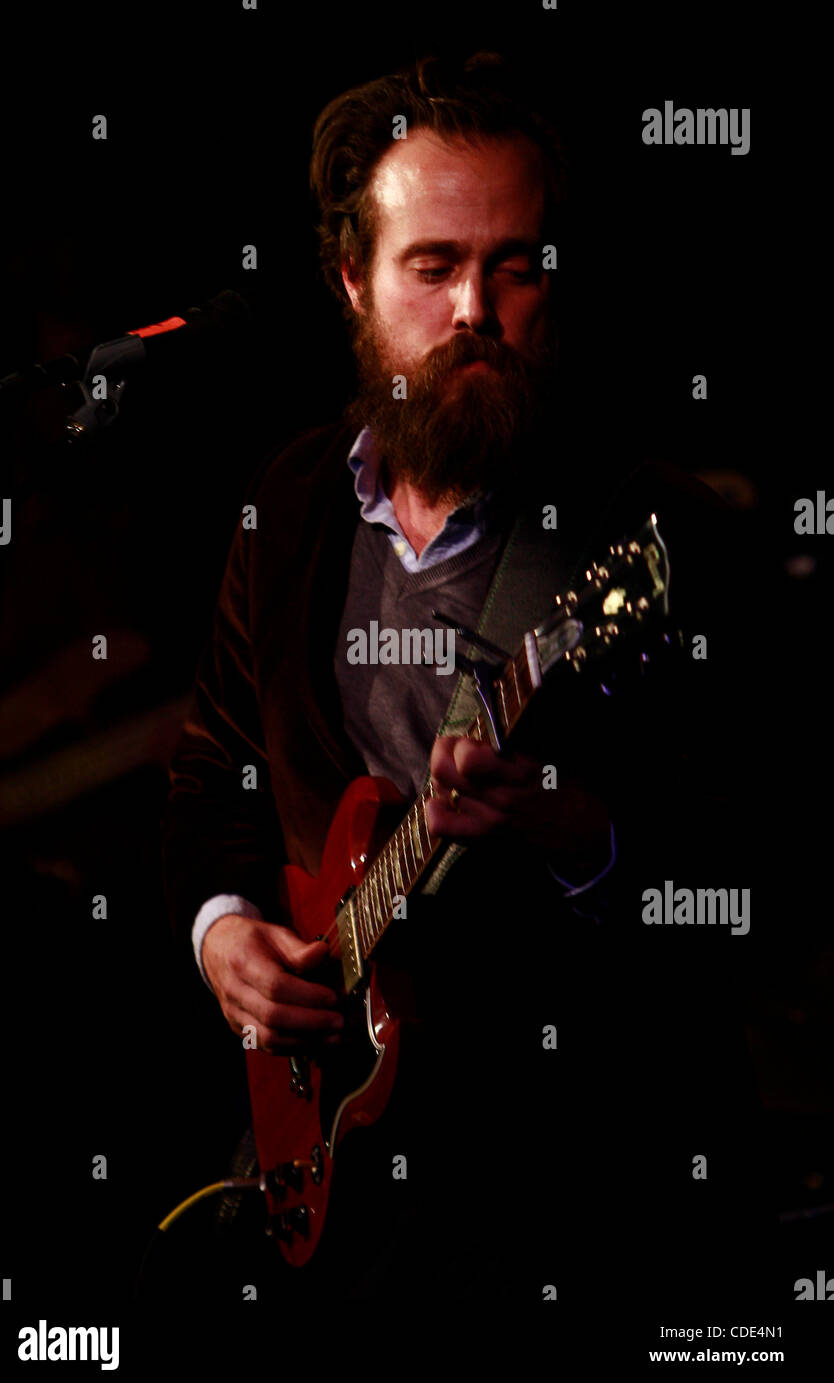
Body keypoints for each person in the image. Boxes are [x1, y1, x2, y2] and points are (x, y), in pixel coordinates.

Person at [161, 52, 767, 1316]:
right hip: (329, 1174)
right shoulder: (289, 499)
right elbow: (216, 758)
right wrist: (225, 931)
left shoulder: (643, 533)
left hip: (567, 1192)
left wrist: (577, 833)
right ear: (353, 283)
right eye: (431, 266)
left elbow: (758, 876)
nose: (473, 309)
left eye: (514, 265)